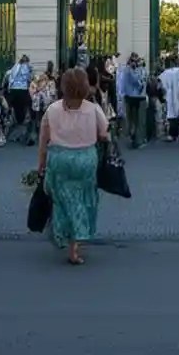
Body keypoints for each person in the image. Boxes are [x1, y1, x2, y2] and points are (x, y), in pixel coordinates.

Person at [37, 67, 110, 265]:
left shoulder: (52, 110)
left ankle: (62, 234)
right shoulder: (93, 109)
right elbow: (104, 133)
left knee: (61, 200)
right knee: (83, 198)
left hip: (59, 157)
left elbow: (43, 140)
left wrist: (41, 164)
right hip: (85, 158)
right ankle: (76, 241)